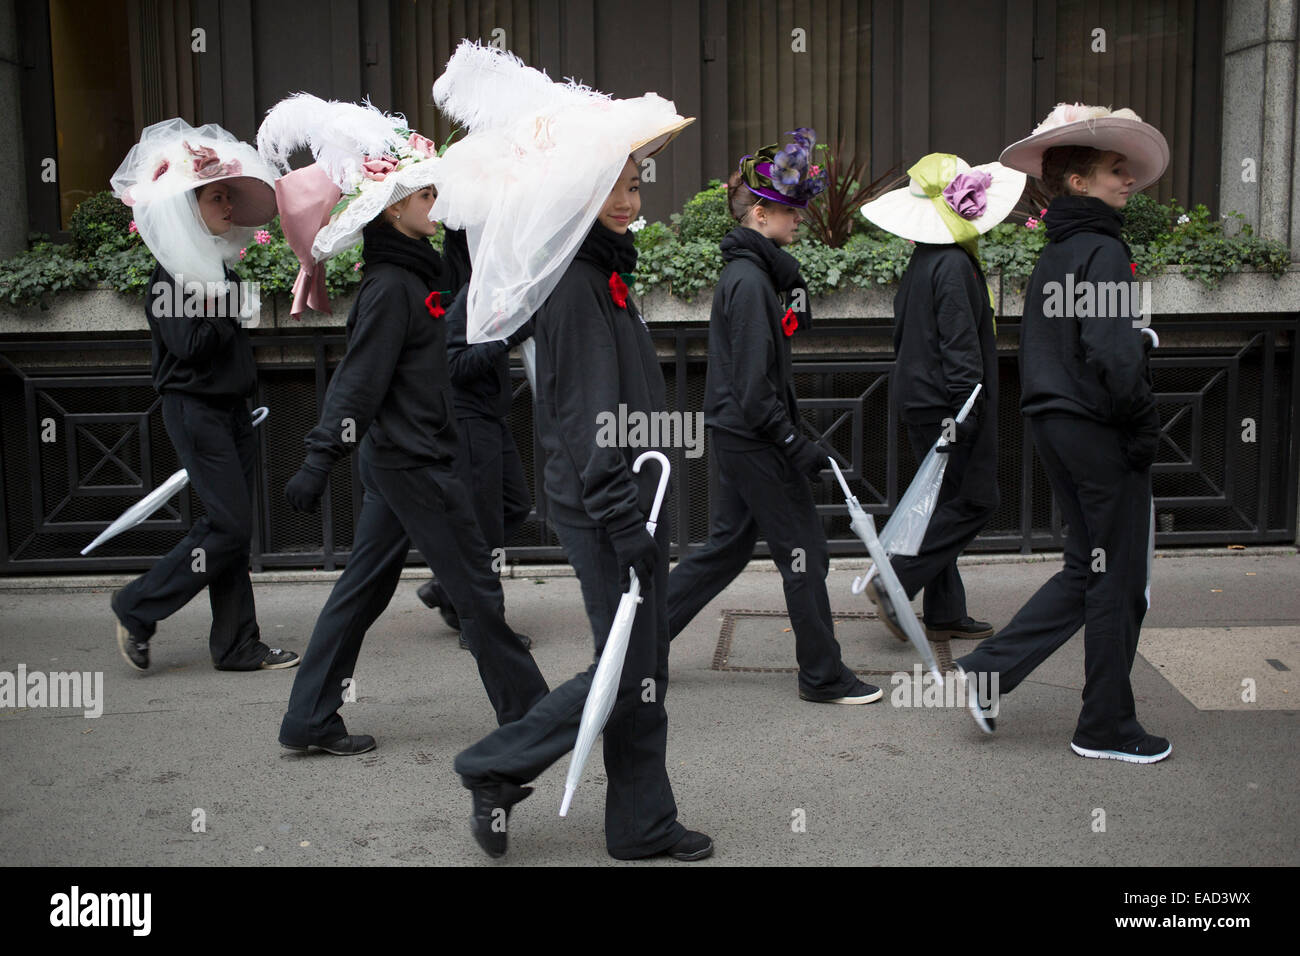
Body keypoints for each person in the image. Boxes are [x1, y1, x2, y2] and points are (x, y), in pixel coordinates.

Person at [430, 41, 710, 860]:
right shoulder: (582, 284)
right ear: (583, 194)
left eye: (632, 182)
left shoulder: (597, 271)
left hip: (616, 496)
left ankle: (637, 822)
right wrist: (622, 517)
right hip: (605, 502)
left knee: (637, 665)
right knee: (631, 667)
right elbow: (589, 416)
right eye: (620, 184)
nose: (632, 196)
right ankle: (496, 766)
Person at [258, 93, 549, 756]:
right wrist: (316, 457)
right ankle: (534, 718)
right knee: (476, 590)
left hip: (402, 459)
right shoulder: (392, 287)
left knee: (363, 589)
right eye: (424, 196)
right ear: (394, 209)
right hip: (413, 463)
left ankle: (308, 718)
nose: (436, 203)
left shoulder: (417, 274)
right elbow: (358, 382)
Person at [954, 103, 1171, 764]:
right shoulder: (1104, 251)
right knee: (1119, 579)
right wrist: (1141, 428)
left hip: (1055, 423)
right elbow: (1112, 353)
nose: (1128, 178)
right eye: (1114, 169)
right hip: (1097, 427)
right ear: (1077, 181)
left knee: (1092, 566)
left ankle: (990, 673)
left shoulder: (1057, 252)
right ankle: (1104, 725)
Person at [665, 129, 881, 706]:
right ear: (761, 215)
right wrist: (796, 444)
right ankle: (823, 676)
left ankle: (640, 640)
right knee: (806, 550)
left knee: (726, 549)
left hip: (739, 433)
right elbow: (753, 387)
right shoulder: (751, 282)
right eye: (791, 212)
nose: (800, 221)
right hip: (754, 436)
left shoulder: (754, 275)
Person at [108, 119, 298, 674]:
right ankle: (137, 604)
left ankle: (238, 644)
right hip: (196, 412)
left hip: (231, 411)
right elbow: (191, 347)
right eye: (217, 197)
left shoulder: (217, 270)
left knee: (233, 531)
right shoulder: (172, 276)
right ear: (188, 207)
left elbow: (235, 340)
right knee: (228, 526)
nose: (228, 207)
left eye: (228, 197)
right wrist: (219, 299)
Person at [859, 154, 1025, 645]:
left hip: (926, 402)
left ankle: (946, 611)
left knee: (943, 506)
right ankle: (893, 583)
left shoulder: (927, 261)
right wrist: (965, 414)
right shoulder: (954, 264)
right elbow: (959, 348)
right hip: (949, 406)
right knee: (975, 499)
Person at [416, 260, 536, 652]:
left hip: (490, 418)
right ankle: (483, 625)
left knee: (515, 505)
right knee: (484, 526)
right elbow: (453, 365)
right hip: (468, 420)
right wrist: (505, 339)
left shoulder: (506, 293)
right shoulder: (475, 296)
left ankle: (449, 587)